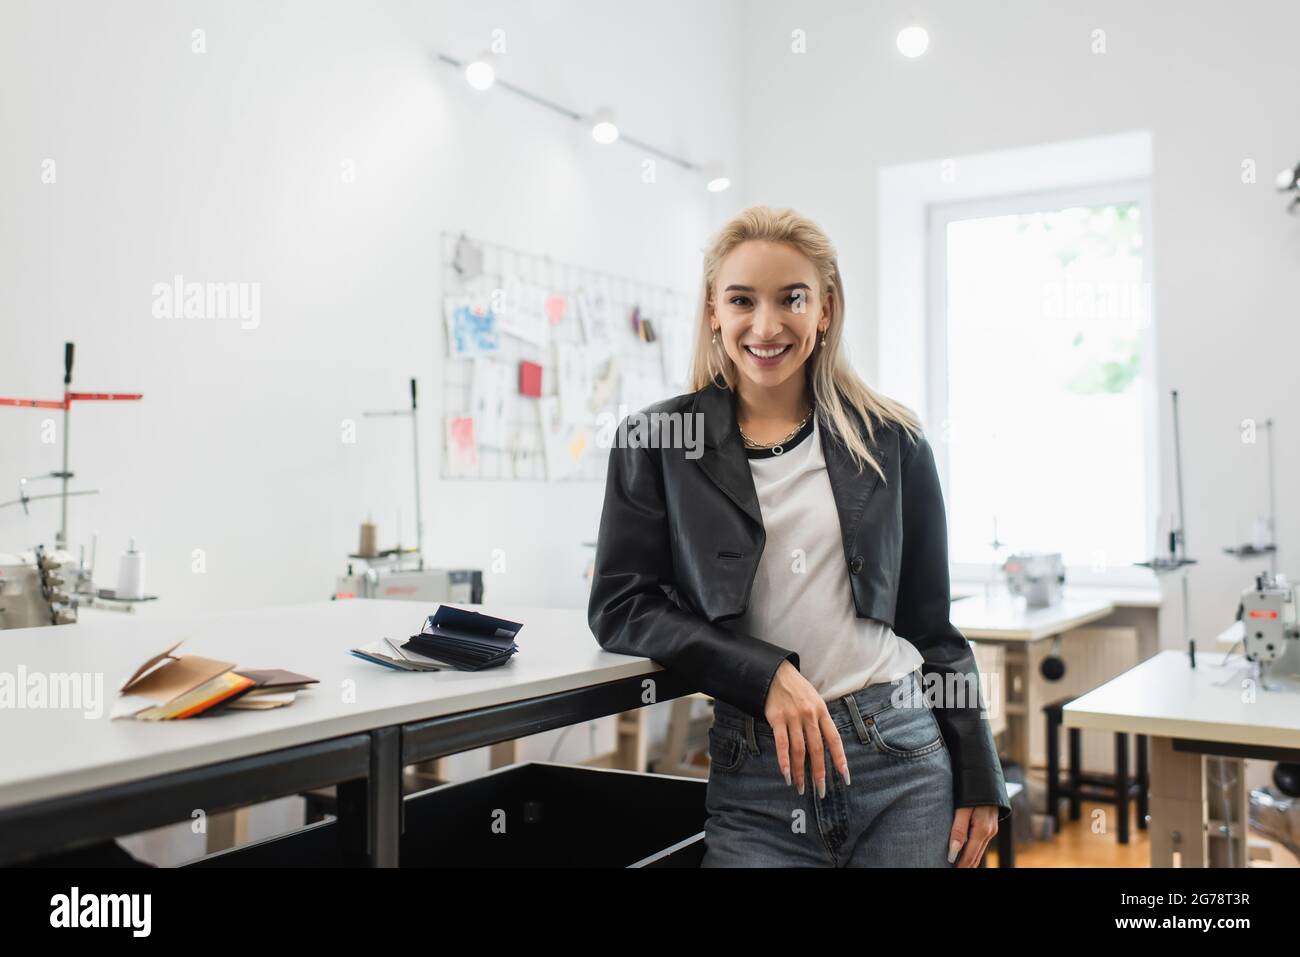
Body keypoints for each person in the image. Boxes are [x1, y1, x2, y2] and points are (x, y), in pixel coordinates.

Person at [588, 205, 1010, 867]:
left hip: (902, 758)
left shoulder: (893, 440)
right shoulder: (657, 440)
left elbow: (931, 628)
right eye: (741, 300)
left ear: (825, 309)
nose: (765, 325)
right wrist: (765, 675)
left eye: (791, 298)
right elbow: (621, 605)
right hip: (755, 771)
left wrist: (980, 771)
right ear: (711, 312)